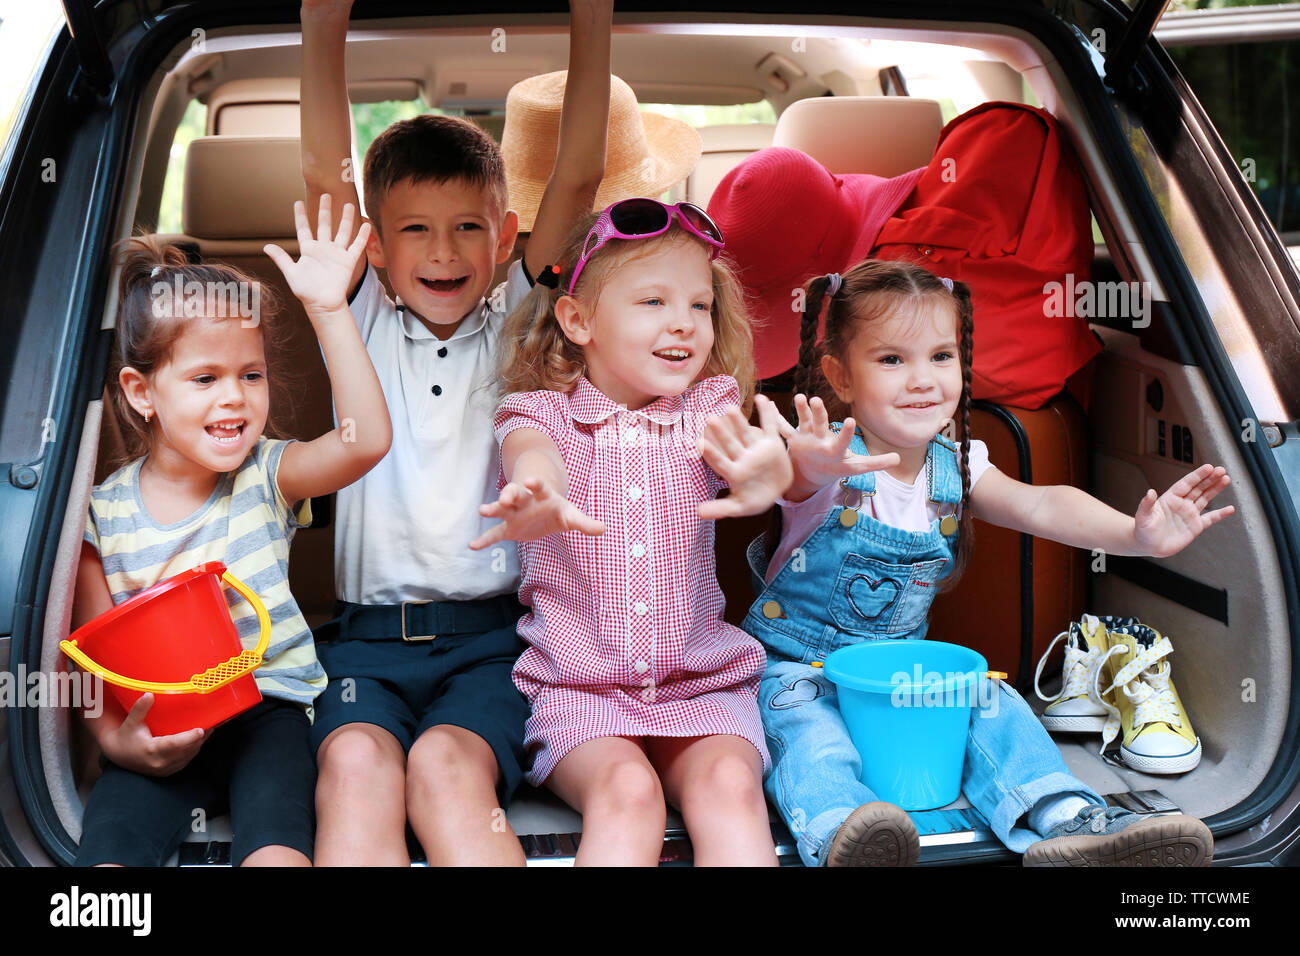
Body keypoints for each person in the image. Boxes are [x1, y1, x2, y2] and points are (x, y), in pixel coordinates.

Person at [745, 260, 1233, 867]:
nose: (923, 380)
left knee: (995, 706)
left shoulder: (959, 465)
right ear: (840, 377)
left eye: (941, 357)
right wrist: (811, 469)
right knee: (810, 741)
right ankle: (848, 836)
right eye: (892, 360)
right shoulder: (827, 461)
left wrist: (1137, 536)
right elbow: (792, 485)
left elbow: (1042, 505)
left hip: (902, 679)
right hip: (797, 673)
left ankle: (1068, 822)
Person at [299, 0, 612, 865]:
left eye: (469, 227)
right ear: (375, 249)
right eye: (415, 231)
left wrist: (594, 16)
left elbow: (578, 179)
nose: (444, 251)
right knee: (357, 765)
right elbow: (327, 177)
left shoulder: (518, 312)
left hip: (495, 644)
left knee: (444, 769)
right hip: (364, 638)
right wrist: (322, 21)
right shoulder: (354, 317)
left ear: (505, 236)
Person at [470, 199, 791, 865]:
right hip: (579, 694)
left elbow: (745, 453)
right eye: (653, 302)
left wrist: (768, 473)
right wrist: (538, 489)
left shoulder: (708, 407)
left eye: (700, 306)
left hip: (701, 688)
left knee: (733, 786)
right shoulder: (539, 412)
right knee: (629, 792)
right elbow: (533, 453)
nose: (684, 323)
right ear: (578, 319)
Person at [72, 198, 390, 867]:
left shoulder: (267, 474)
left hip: (267, 717)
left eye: (252, 375)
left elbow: (366, 444)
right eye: (205, 378)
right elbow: (92, 659)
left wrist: (330, 310)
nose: (234, 399)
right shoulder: (98, 516)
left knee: (277, 854)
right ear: (140, 391)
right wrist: (117, 743)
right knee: (105, 867)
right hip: (158, 730)